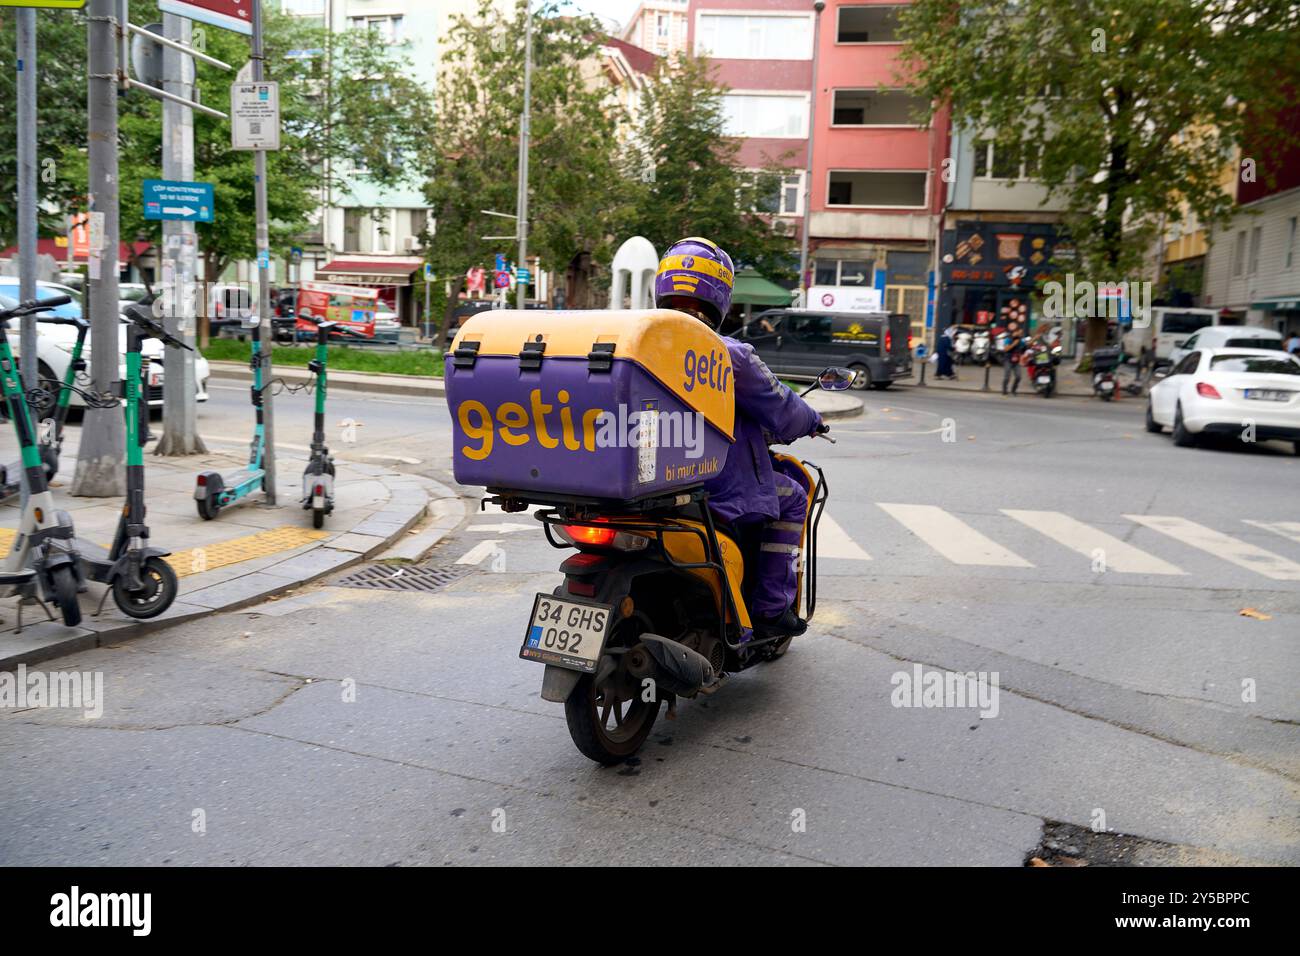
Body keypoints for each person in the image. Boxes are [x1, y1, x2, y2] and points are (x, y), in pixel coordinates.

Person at [655, 237, 823, 639]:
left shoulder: (639, 343)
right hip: (716, 485)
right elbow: (782, 408)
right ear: (720, 294)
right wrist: (813, 419)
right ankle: (769, 608)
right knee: (794, 497)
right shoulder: (730, 355)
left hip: (646, 482)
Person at [1002, 320, 1025, 395]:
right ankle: (1004, 390)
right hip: (1008, 360)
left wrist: (1035, 338)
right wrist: (1014, 344)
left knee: (1018, 376)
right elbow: (1005, 349)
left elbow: (1026, 345)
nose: (1020, 334)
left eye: (1021, 333)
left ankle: (1013, 390)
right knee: (1007, 377)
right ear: (1015, 332)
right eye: (1019, 332)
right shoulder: (1008, 339)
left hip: (1016, 360)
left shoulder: (1020, 340)